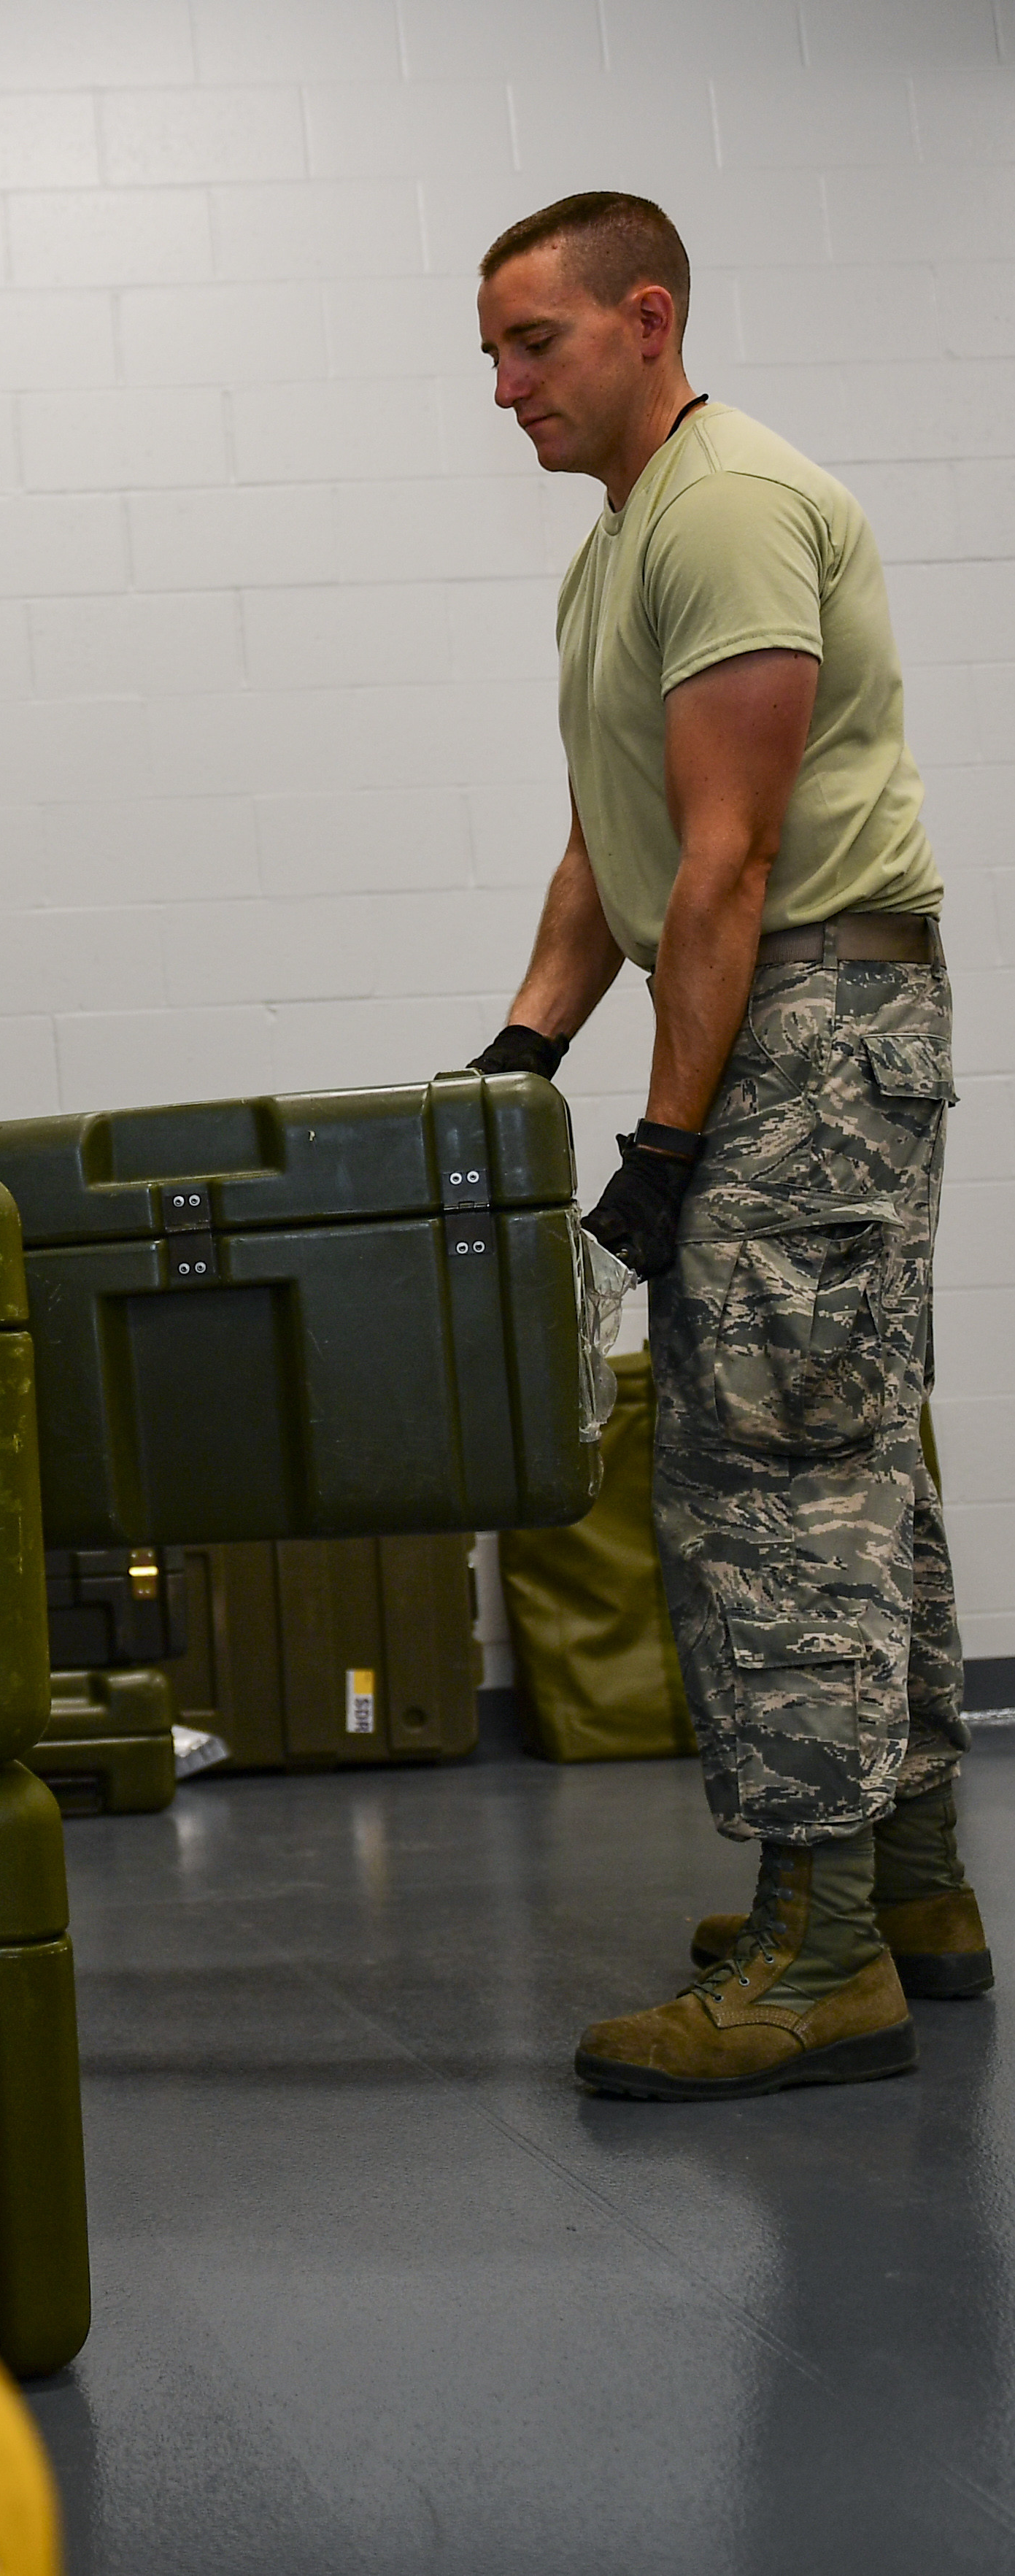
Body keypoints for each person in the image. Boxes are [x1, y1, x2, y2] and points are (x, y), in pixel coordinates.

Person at [473, 192, 984, 2101]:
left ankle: (819, 1955)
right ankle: (909, 1889)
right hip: (788, 1015)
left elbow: (729, 859)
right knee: (844, 1451)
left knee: (765, 1469)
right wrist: (522, 1046)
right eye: (490, 355)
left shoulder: (730, 508)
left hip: (811, 1016)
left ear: (646, 319)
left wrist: (667, 1145)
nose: (504, 388)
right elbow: (612, 844)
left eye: (533, 343)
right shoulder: (616, 549)